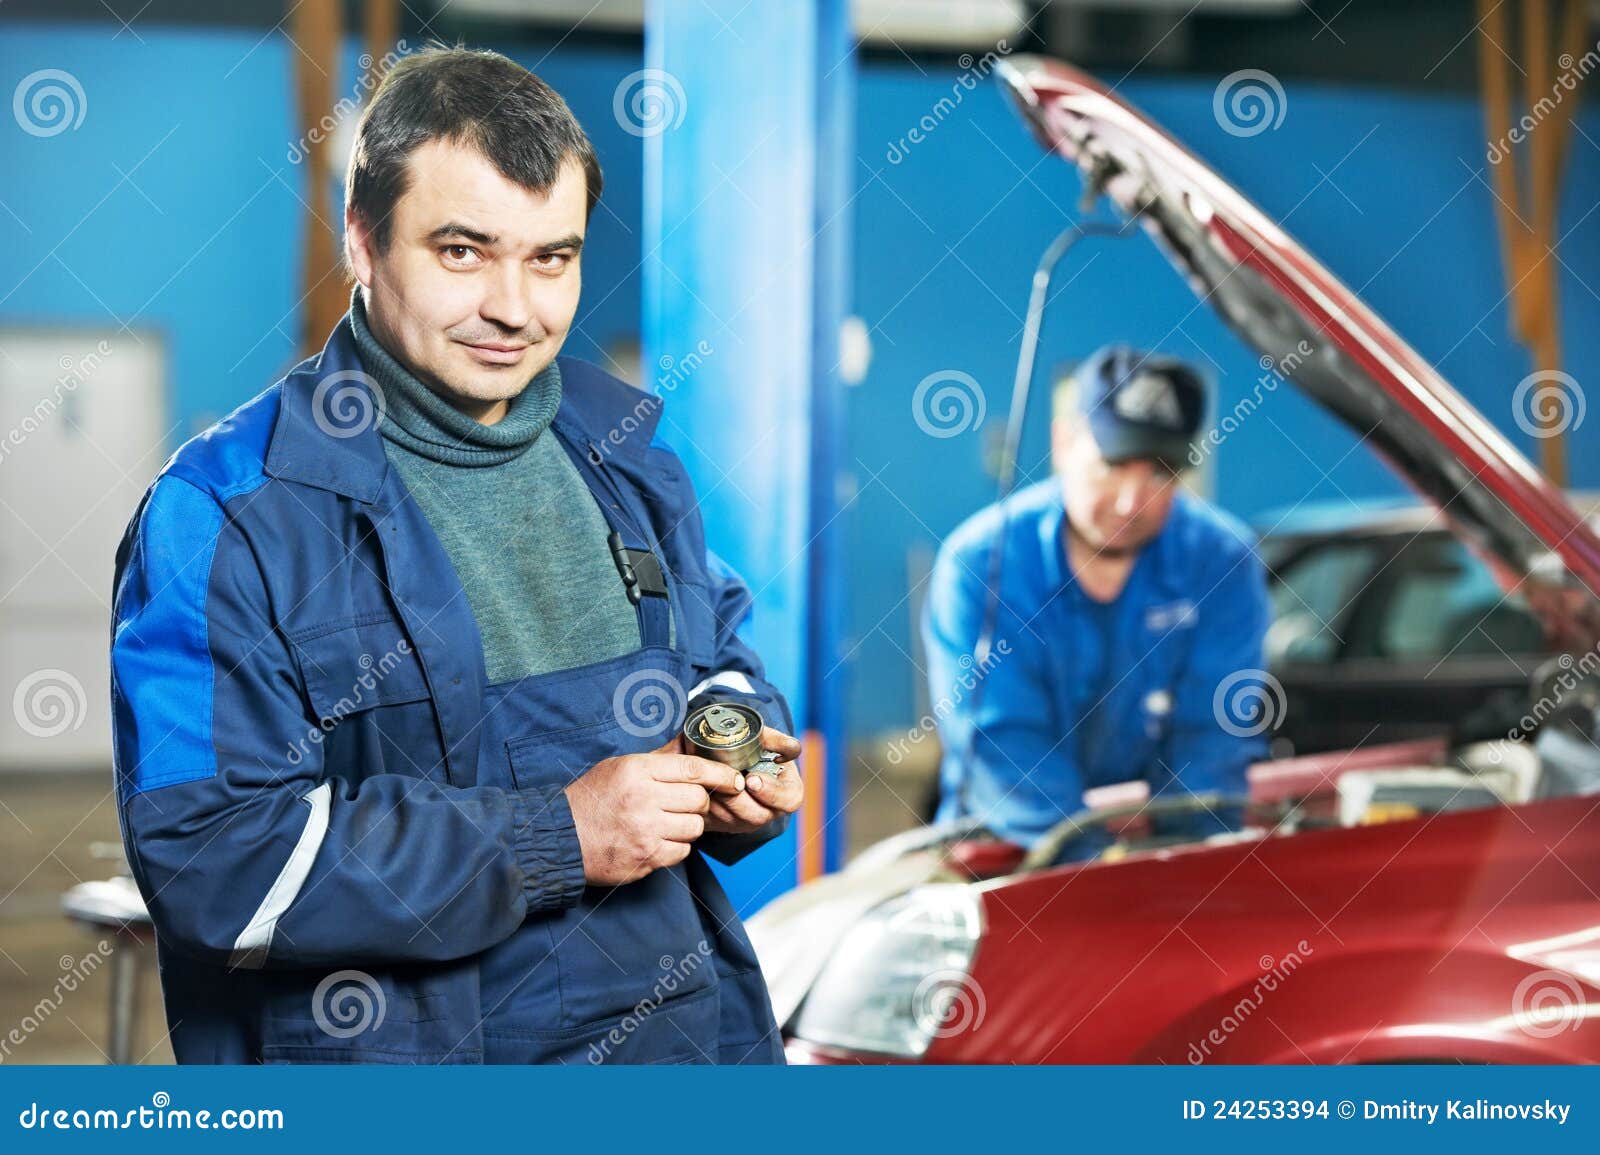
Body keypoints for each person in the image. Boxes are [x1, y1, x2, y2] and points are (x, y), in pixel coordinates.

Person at [109, 46, 801, 1065]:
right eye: (463, 252)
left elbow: (720, 661)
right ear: (363, 240)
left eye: (551, 258)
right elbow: (215, 865)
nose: (515, 309)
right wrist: (556, 837)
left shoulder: (626, 459)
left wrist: (736, 748)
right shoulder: (229, 513)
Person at [923, 345, 1270, 851]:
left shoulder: (1222, 562)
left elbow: (1211, 739)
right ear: (1064, 443)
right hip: (1004, 849)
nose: (1132, 502)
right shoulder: (984, 565)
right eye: (1112, 465)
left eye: (1159, 474)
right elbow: (1006, 747)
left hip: (1149, 852)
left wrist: (1193, 872)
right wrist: (1093, 873)